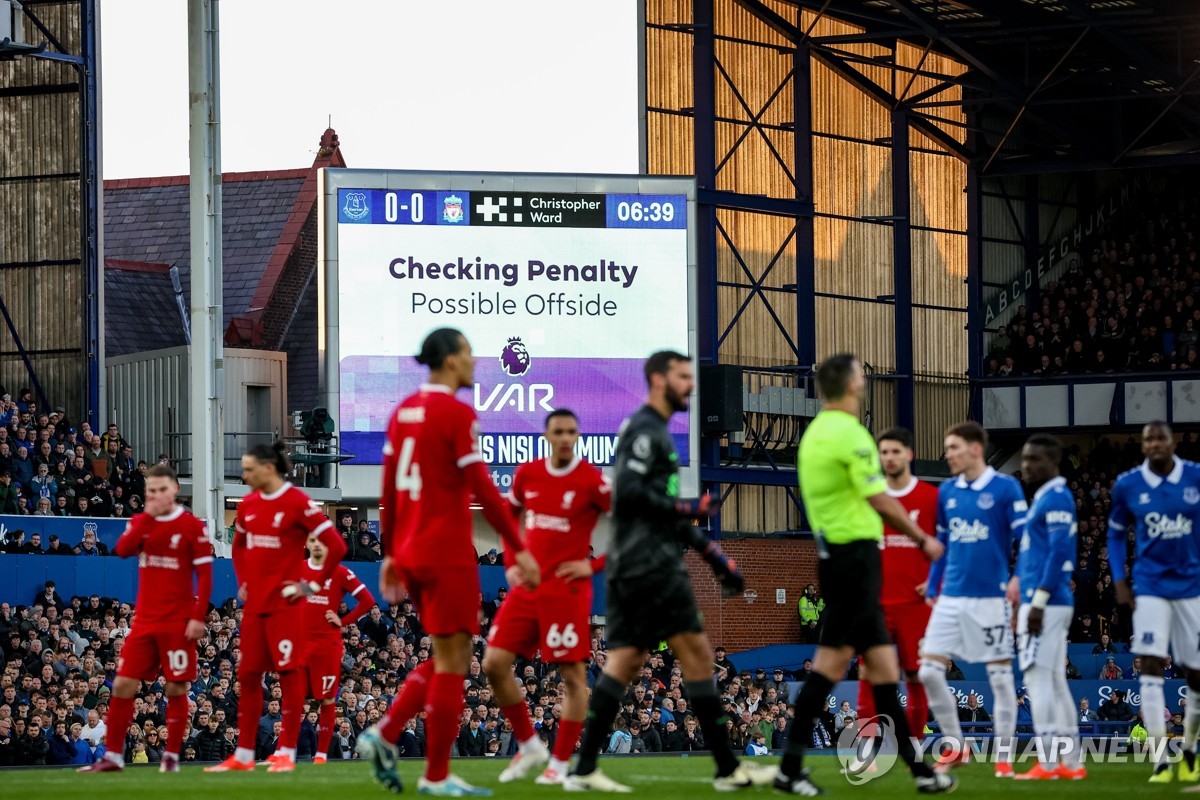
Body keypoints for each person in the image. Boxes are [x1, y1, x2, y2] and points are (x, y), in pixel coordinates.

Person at [566, 350, 771, 793]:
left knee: (629, 663)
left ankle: (583, 769)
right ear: (659, 379)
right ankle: (726, 768)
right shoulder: (645, 430)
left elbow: (671, 517)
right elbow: (634, 498)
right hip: (648, 565)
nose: (690, 385)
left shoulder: (658, 432)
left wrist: (716, 558)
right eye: (682, 376)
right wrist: (687, 508)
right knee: (689, 658)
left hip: (646, 561)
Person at [356, 328, 538, 798]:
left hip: (413, 551)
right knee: (455, 663)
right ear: (453, 359)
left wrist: (391, 552)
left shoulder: (402, 412)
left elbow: (390, 490)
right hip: (448, 551)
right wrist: (519, 546)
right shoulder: (456, 412)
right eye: (470, 353)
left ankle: (387, 733)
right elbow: (480, 486)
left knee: (444, 658)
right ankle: (434, 773)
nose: (476, 362)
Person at [778, 354, 951, 796]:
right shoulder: (848, 433)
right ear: (853, 382)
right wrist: (922, 538)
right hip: (853, 559)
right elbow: (879, 498)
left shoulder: (815, 432)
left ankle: (920, 771)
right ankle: (790, 768)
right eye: (861, 373)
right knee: (831, 666)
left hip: (840, 558)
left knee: (883, 668)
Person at [481, 408, 611, 785]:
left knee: (572, 677)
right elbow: (509, 516)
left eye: (572, 431)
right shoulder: (527, 474)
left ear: (578, 435)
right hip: (527, 588)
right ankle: (529, 744)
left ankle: (559, 762)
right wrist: (511, 561)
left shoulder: (591, 480)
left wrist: (593, 565)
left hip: (567, 591)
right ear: (547, 435)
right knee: (493, 663)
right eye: (559, 431)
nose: (566, 437)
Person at [205, 441, 347, 774]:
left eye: (249, 469)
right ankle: (243, 756)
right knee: (248, 675)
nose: (244, 474)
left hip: (286, 607)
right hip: (256, 606)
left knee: (289, 675)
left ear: (268, 469)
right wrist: (243, 580)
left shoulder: (298, 502)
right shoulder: (249, 504)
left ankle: (286, 751)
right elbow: (238, 547)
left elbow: (336, 546)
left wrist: (310, 585)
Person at [79, 464, 213, 775]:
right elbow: (122, 549)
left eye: (161, 490)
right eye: (150, 491)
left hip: (178, 622)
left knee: (177, 689)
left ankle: (171, 757)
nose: (155, 495)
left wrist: (198, 616)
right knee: (123, 684)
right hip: (145, 621)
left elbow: (205, 577)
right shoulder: (141, 521)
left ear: (175, 490)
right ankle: (113, 757)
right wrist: (145, 520)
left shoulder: (193, 527)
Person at [921, 421, 1024, 778]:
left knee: (999, 678)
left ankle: (1005, 755)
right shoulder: (947, 491)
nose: (947, 454)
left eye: (953, 448)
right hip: (950, 597)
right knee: (929, 671)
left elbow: (1027, 539)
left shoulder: (1006, 488)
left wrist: (1019, 577)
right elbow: (942, 548)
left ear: (975, 449)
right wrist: (933, 589)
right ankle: (955, 745)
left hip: (990, 600)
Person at [1108, 421, 1200, 782]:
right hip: (1149, 587)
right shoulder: (1128, 484)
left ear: (1173, 442)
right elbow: (1115, 536)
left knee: (1194, 672)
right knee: (1148, 663)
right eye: (1148, 439)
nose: (1154, 444)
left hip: (1191, 587)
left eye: (1160, 438)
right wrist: (1119, 580)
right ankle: (1161, 759)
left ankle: (1190, 749)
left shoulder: (1194, 476)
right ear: (1143, 446)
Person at [1010, 434, 1085, 780]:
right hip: (1048, 600)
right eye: (1025, 459)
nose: (1027, 465)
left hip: (1045, 602)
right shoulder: (1047, 496)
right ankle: (1071, 763)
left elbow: (1058, 552)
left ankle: (1049, 762)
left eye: (1034, 459)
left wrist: (1037, 602)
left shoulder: (1055, 496)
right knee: (1054, 681)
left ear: (1053, 463)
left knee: (1038, 680)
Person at [856, 427, 936, 740]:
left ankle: (914, 748)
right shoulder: (870, 499)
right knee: (867, 672)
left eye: (895, 452)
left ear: (909, 454)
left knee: (917, 676)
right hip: (875, 604)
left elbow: (947, 546)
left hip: (915, 604)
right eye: (884, 452)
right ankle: (865, 748)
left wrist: (934, 579)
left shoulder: (931, 497)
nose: (889, 458)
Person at [292, 532, 376, 765]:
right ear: (307, 543)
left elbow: (368, 600)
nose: (318, 545)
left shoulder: (340, 572)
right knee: (293, 699)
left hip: (327, 646)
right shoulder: (296, 568)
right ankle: (284, 752)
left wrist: (344, 620)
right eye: (313, 540)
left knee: (327, 700)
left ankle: (320, 755)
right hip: (300, 644)